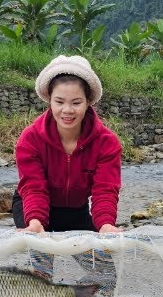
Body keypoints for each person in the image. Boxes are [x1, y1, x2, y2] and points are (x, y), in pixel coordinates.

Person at [13, 55, 124, 235]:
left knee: (99, 262)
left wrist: (106, 224)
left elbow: (105, 190)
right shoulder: (30, 139)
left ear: (88, 102)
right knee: (42, 256)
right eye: (59, 102)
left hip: (75, 209)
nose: (67, 110)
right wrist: (35, 221)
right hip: (33, 205)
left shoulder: (106, 143)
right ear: (49, 100)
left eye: (76, 103)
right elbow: (34, 186)